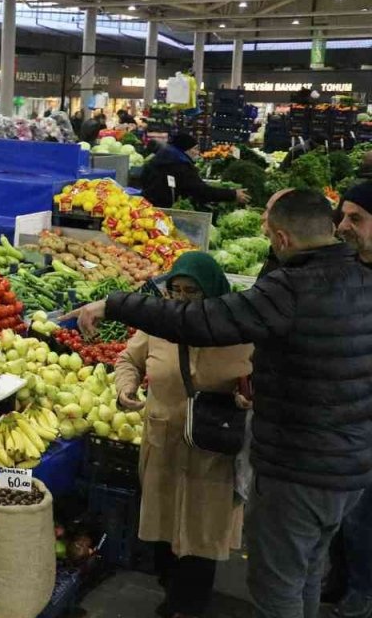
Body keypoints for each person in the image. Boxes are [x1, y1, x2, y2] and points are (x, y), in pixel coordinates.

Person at [71, 189, 372, 618]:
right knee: (306, 571)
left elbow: (200, 320)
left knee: (277, 586)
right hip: (350, 465)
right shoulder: (363, 280)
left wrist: (116, 304)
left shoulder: (290, 288)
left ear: (282, 239)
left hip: (297, 465)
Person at [113, 251, 253, 618]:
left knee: (203, 535)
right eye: (175, 290)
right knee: (163, 529)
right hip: (164, 446)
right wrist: (126, 387)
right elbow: (128, 360)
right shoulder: (158, 325)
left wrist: (249, 397)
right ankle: (171, 590)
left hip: (212, 451)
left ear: (213, 292)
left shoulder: (240, 331)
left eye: (192, 292)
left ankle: (188, 606)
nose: (181, 299)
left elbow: (264, 379)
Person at [331, 183, 372, 618]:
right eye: (342, 215)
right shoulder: (343, 267)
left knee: (363, 511)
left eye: (356, 218)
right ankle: (340, 578)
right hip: (340, 408)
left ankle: (363, 590)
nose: (343, 226)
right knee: (340, 506)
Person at [139, 133, 250, 208]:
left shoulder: (158, 159)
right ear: (185, 149)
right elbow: (202, 192)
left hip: (147, 207)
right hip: (164, 212)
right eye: (195, 149)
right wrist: (232, 194)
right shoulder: (180, 166)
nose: (198, 153)